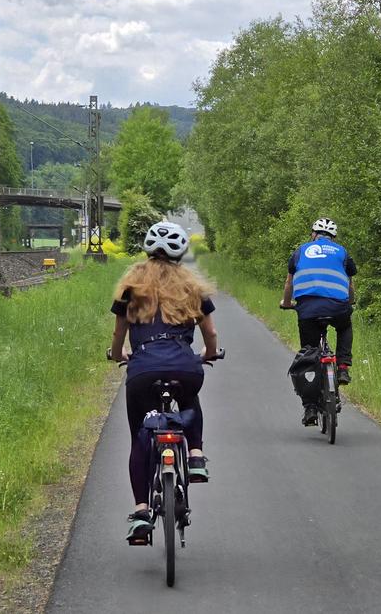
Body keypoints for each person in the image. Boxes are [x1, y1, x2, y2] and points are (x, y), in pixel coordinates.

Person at [110, 221, 220, 543]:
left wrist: (118, 354)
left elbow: (119, 334)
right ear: (181, 253)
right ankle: (196, 455)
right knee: (189, 398)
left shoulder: (130, 285)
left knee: (139, 438)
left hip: (142, 369)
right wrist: (209, 354)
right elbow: (210, 334)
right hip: (185, 365)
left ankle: (142, 511)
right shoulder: (191, 286)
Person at [280, 218, 357, 426]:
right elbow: (349, 283)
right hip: (337, 306)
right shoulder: (342, 252)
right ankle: (342, 367)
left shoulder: (300, 251)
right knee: (345, 325)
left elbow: (289, 283)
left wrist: (286, 303)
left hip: (308, 309)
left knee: (309, 356)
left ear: (313, 234)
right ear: (332, 237)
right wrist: (350, 301)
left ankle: (310, 408)